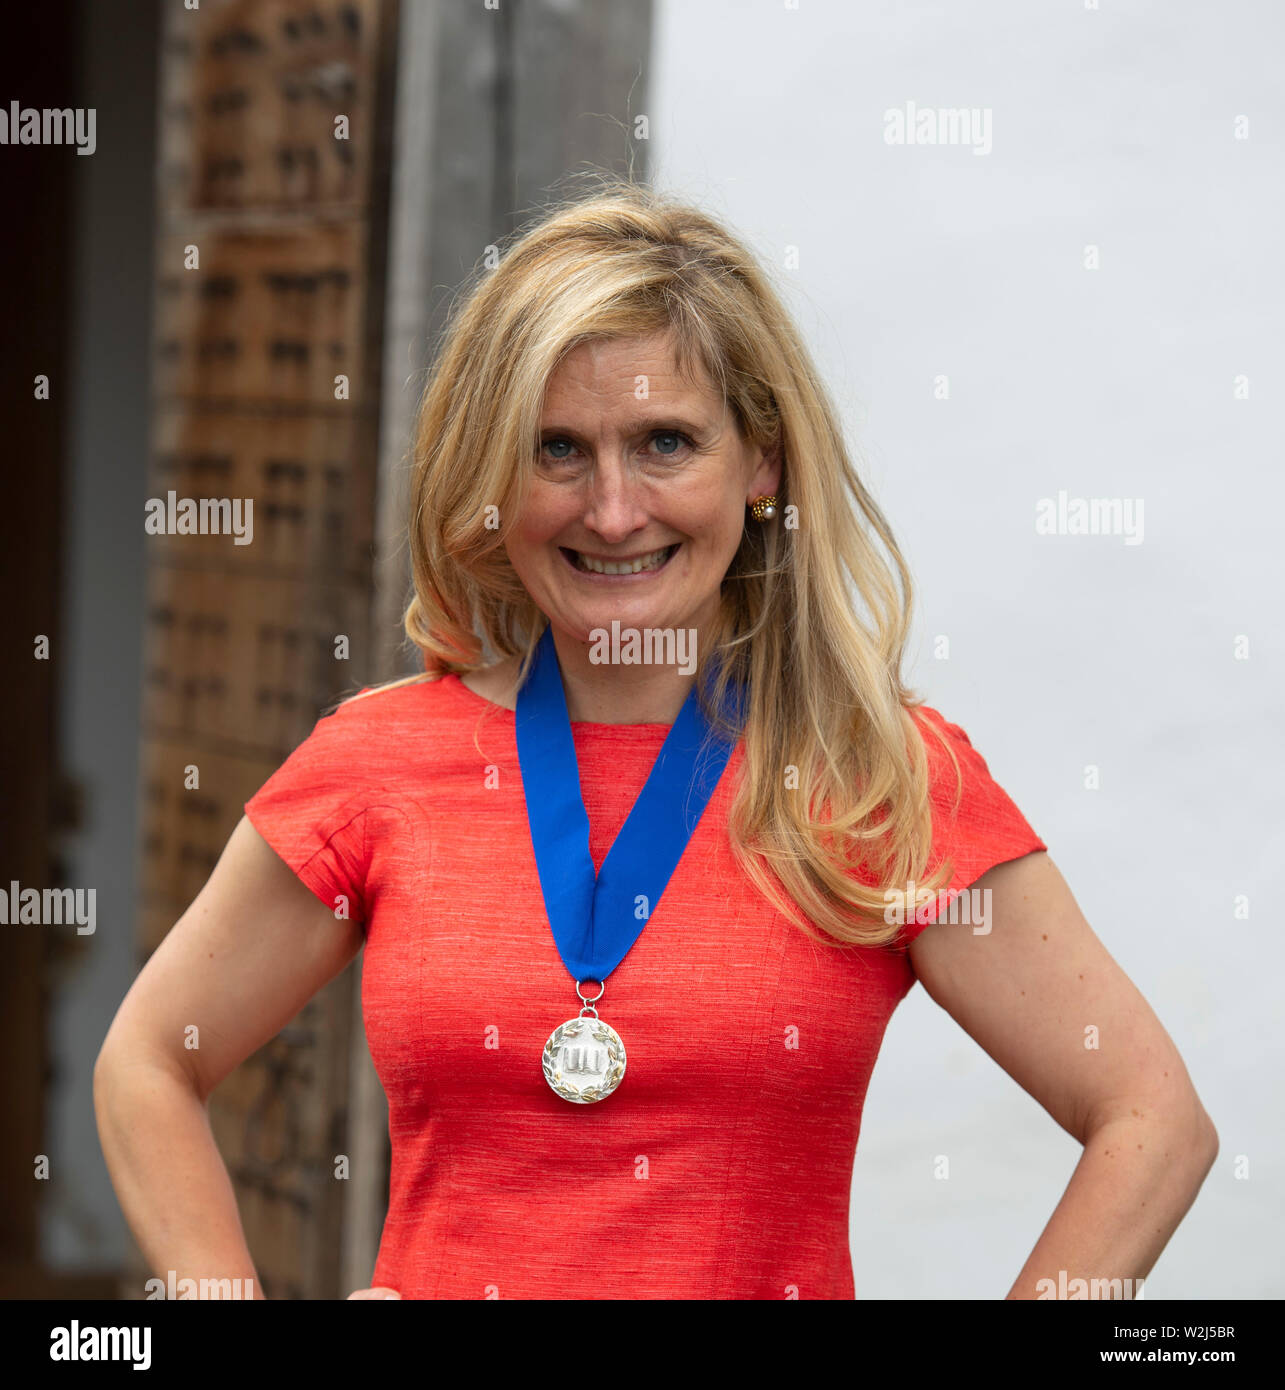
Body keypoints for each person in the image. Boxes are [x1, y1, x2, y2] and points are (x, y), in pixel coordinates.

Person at [95, 178, 1217, 1301]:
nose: (614, 509)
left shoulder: (876, 774)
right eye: (558, 450)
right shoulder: (376, 762)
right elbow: (149, 1060)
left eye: (665, 442)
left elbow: (1151, 1121)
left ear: (761, 463)